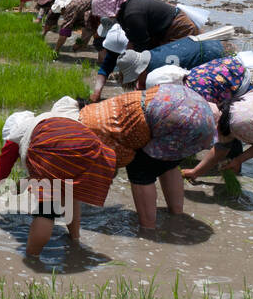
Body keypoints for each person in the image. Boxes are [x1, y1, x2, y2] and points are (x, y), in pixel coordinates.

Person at [78, 85, 217, 228]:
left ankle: (148, 228)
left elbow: (121, 157)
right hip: (198, 110)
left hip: (179, 119)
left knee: (139, 169)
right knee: (168, 164)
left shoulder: (90, 125)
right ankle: (177, 214)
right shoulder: (106, 107)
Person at [0, 99, 116, 257]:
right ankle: (75, 239)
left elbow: (0, 172)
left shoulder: (16, 136)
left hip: (50, 144)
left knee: (47, 209)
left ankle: (32, 258)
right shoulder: (51, 117)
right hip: (88, 143)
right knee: (71, 191)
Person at [92, 33, 231, 100]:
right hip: (208, 43)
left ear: (141, 69)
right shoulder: (150, 56)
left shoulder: (158, 71)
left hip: (212, 54)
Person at [91, 0, 200, 51]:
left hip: (179, 30)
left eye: (104, 13)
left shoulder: (131, 14)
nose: (106, 16)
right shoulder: (125, 9)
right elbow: (134, 40)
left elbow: (142, 46)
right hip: (164, 31)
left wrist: (128, 63)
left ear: (109, 8)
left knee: (174, 62)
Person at [42, 0, 117, 51]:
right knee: (89, 24)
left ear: (62, 9)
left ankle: (103, 48)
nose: (61, 14)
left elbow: (64, 31)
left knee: (101, 29)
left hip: (106, 1)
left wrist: (56, 50)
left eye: (60, 12)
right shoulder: (71, 1)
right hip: (100, 0)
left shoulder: (70, 9)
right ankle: (83, 45)